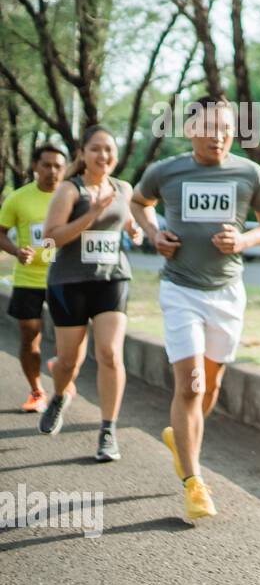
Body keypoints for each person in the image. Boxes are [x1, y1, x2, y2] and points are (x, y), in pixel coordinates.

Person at [131, 94, 260, 522]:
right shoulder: (167, 171)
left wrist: (245, 240)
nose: (218, 136)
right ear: (190, 129)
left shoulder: (250, 173)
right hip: (181, 289)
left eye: (226, 128)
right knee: (192, 385)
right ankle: (194, 483)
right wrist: (154, 233)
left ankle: (180, 437)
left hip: (228, 293)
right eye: (209, 127)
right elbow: (139, 203)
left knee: (210, 387)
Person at [39, 128, 142, 461]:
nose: (103, 156)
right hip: (70, 282)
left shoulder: (123, 188)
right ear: (82, 153)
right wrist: (91, 214)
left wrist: (135, 231)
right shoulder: (70, 189)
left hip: (111, 278)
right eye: (95, 149)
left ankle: (108, 430)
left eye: (109, 149)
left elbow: (126, 221)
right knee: (69, 360)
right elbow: (51, 239)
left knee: (111, 353)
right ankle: (58, 396)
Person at [0, 144, 67, 413]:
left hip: (65, 277)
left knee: (70, 338)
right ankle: (37, 390)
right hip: (29, 278)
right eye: (47, 165)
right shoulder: (18, 198)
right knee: (29, 333)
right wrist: (16, 251)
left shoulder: (71, 196)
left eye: (58, 166)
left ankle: (62, 367)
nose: (52, 171)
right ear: (35, 167)